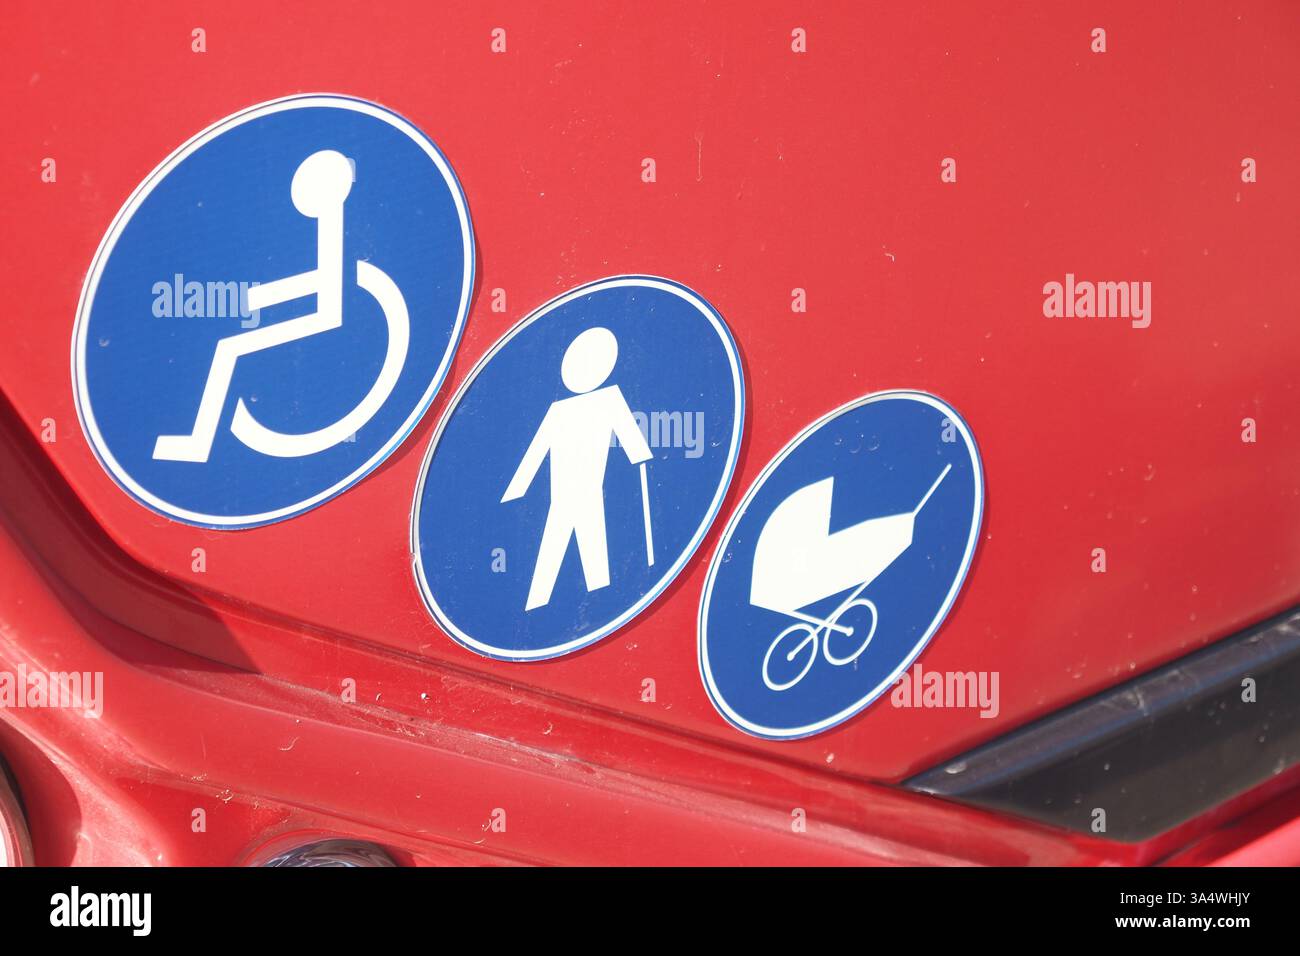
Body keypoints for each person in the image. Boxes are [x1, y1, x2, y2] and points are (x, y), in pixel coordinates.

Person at [502, 326, 652, 610]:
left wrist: (640, 457)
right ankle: (541, 601)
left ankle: (595, 600)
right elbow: (536, 452)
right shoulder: (559, 411)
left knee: (591, 543)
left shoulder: (609, 401)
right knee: (555, 545)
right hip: (562, 494)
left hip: (590, 489)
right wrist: (516, 488)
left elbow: (632, 440)